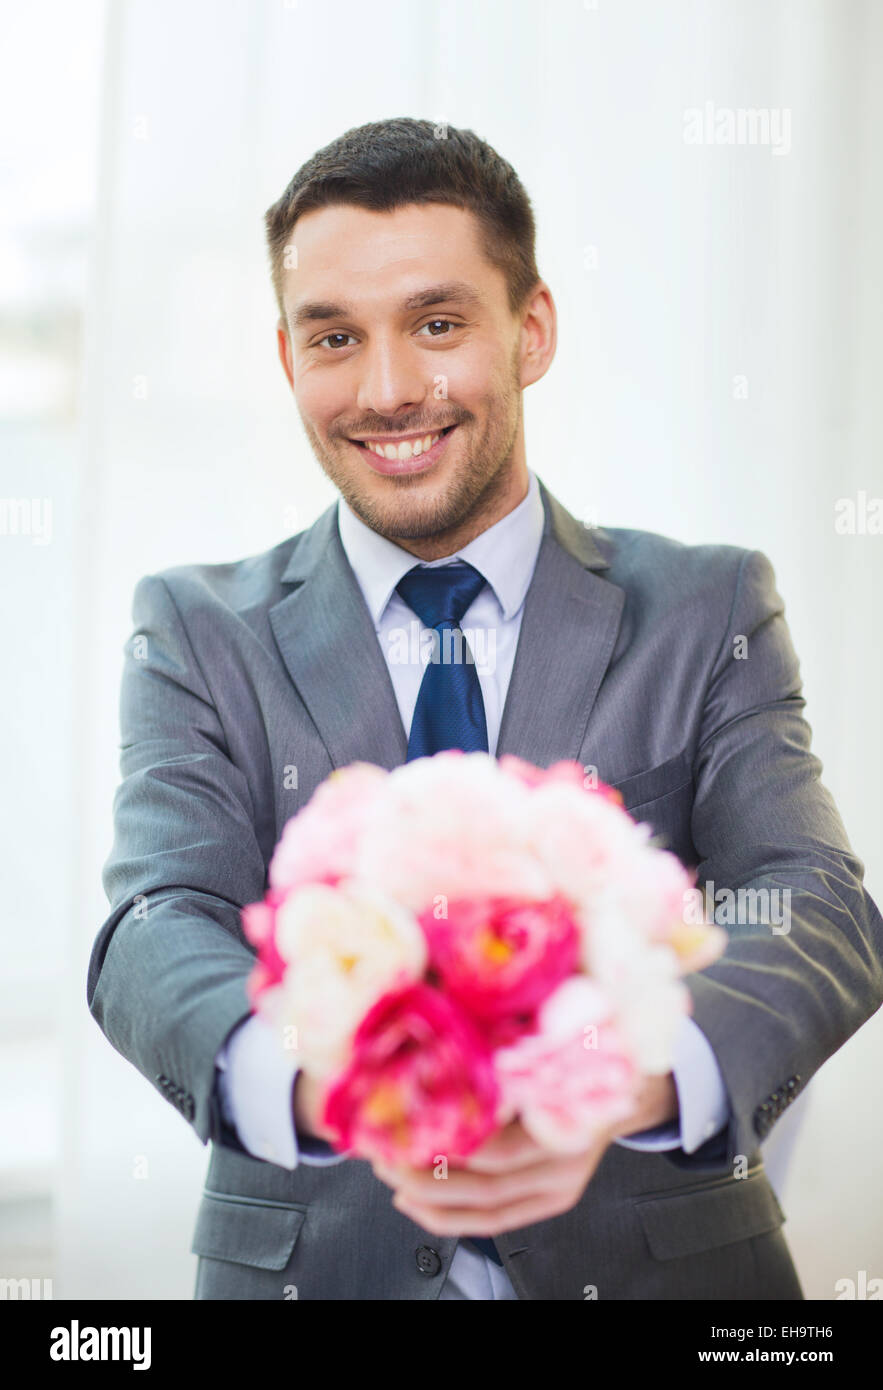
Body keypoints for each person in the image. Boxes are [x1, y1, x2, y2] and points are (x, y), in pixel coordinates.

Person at [87, 117, 883, 1300]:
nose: (390, 389)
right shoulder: (199, 630)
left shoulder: (704, 605)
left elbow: (815, 904)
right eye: (336, 337)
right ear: (288, 356)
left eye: (439, 323)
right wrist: (343, 1079)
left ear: (532, 329)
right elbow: (157, 922)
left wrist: (628, 1074)